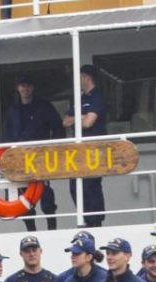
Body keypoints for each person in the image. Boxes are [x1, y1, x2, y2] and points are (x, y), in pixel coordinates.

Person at [4, 74, 64, 231]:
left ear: (33, 88)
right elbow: (6, 136)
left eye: (28, 85)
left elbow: (58, 128)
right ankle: (31, 230)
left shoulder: (44, 107)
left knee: (45, 193)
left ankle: (52, 227)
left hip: (41, 156)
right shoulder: (13, 110)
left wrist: (54, 149)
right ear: (18, 88)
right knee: (24, 195)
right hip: (20, 158)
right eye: (22, 86)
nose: (25, 89)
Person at [63, 66, 108, 227]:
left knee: (91, 185)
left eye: (79, 77)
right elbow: (65, 121)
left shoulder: (97, 97)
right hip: (78, 150)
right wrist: (82, 117)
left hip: (94, 148)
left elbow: (89, 123)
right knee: (74, 185)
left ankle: (95, 222)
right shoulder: (78, 98)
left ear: (87, 77)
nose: (77, 81)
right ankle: (84, 219)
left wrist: (80, 118)